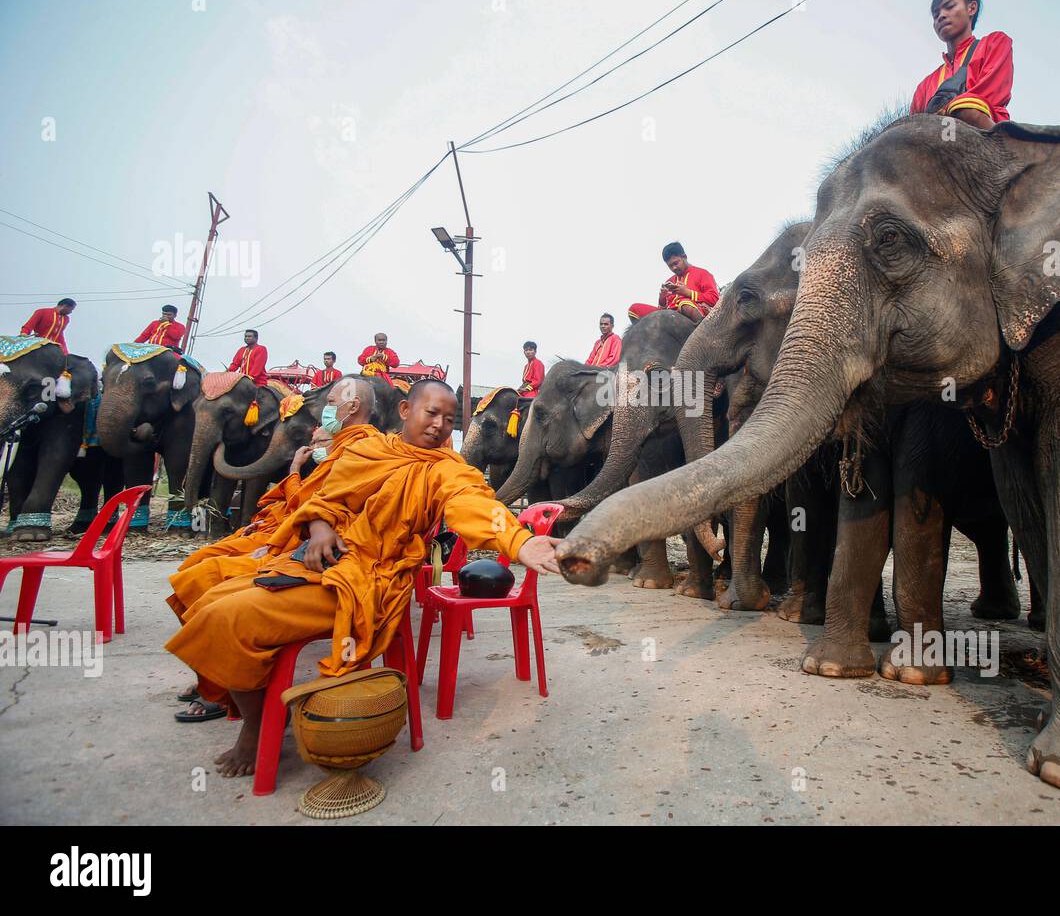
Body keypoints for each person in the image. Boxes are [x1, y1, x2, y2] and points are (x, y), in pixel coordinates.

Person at [164, 378, 561, 777]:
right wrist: (320, 531)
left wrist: (518, 542)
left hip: (369, 580)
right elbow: (325, 502)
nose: (440, 425)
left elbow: (473, 504)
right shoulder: (371, 451)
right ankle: (258, 701)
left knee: (225, 618)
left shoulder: (446, 470)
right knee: (209, 596)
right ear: (406, 411)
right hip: (317, 562)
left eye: (448, 418)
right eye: (431, 413)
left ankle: (256, 725)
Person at [168, 378, 379, 721]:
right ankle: (213, 675)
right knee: (196, 566)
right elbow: (309, 505)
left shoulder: (365, 448)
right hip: (284, 534)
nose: (326, 411)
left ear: (353, 406)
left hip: (307, 550)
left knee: (206, 579)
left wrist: (295, 473)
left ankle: (222, 688)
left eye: (331, 401)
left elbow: (318, 509)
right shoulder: (343, 446)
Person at [909, 0, 1013, 128]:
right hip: (937, 142)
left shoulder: (994, 44)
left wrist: (942, 113)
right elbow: (912, 128)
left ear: (971, 8)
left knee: (966, 108)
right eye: (935, 14)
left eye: (949, 6)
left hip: (985, 133)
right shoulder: (925, 86)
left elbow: (989, 97)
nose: (941, 16)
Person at [628, 243, 718, 324]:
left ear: (684, 257)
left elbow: (714, 300)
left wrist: (688, 293)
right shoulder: (670, 281)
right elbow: (662, 310)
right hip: (669, 318)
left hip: (692, 314)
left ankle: (705, 336)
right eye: (670, 265)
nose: (674, 268)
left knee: (684, 304)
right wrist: (662, 299)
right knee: (634, 309)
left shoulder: (703, 273)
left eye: (676, 263)